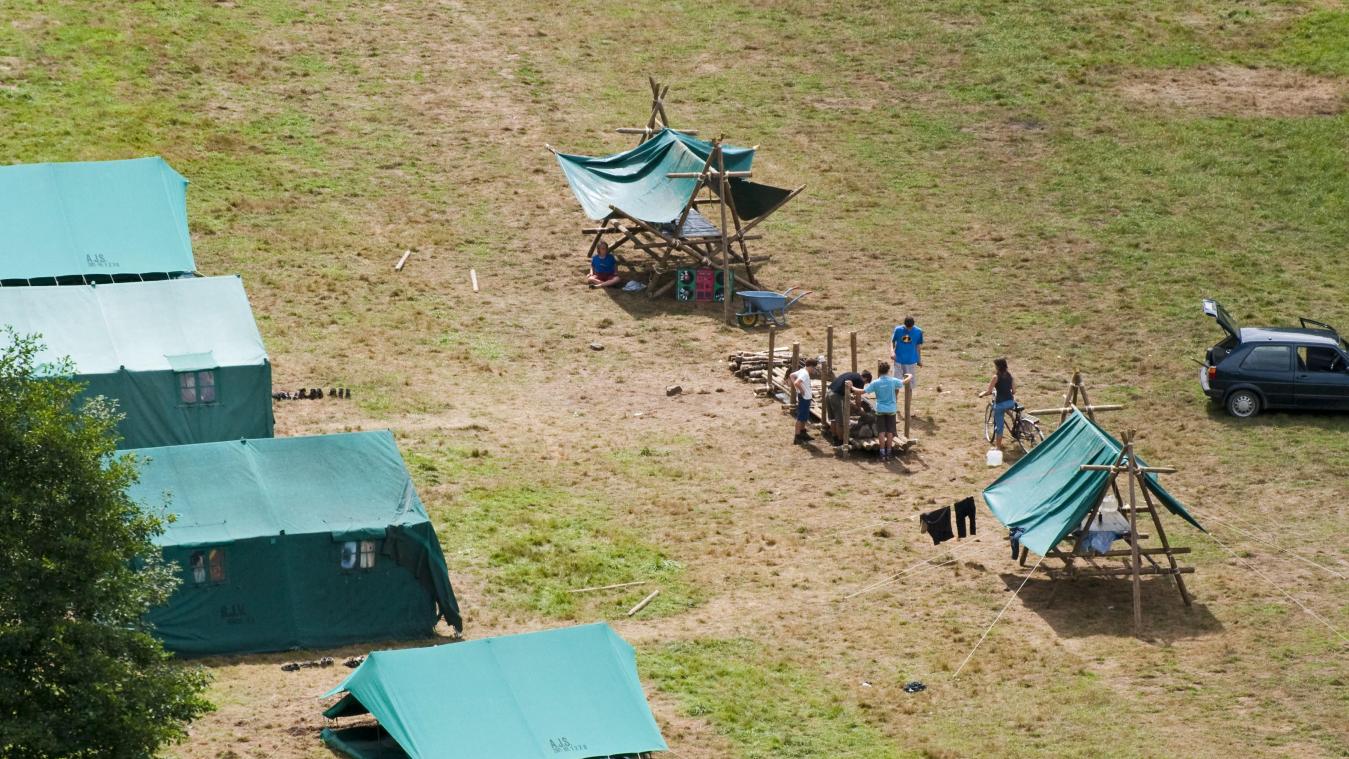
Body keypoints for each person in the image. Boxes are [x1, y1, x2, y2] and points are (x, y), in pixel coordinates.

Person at [862, 361, 911, 461]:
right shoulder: (892, 380)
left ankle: (882, 453)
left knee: (881, 432)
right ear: (888, 370)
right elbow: (904, 382)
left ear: (879, 371)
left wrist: (851, 387)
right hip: (891, 410)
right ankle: (889, 453)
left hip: (880, 410)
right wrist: (910, 376)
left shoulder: (875, 382)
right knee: (890, 432)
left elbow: (863, 391)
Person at [978, 357, 1016, 448]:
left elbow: (989, 391)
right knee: (1005, 407)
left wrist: (982, 394)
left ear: (998, 367)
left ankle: (998, 447)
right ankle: (1013, 418)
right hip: (1011, 402)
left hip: (1000, 404)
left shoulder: (996, 377)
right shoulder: (1010, 376)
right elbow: (1014, 391)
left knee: (999, 426)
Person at [826, 369, 872, 440]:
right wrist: (859, 409)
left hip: (828, 392)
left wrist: (853, 404)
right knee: (840, 421)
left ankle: (834, 438)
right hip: (836, 396)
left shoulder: (853, 375)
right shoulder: (860, 381)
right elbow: (858, 398)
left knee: (833, 419)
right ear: (865, 379)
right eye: (866, 383)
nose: (864, 384)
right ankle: (840, 441)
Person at [790, 357, 820, 444]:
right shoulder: (805, 374)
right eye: (814, 368)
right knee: (800, 417)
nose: (814, 370)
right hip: (804, 398)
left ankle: (803, 433)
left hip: (806, 398)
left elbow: (791, 375)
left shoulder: (802, 370)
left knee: (804, 417)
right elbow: (797, 382)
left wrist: (797, 389)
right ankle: (797, 437)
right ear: (810, 366)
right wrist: (801, 390)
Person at [891, 316, 923, 389]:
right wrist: (892, 352)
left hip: (910, 362)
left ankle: (908, 397)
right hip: (898, 360)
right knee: (896, 385)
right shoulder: (898, 330)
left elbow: (918, 346)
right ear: (904, 324)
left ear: (913, 325)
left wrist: (919, 360)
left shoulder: (918, 331)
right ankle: (894, 397)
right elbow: (892, 341)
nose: (909, 329)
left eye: (910, 327)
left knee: (909, 386)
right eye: (907, 327)